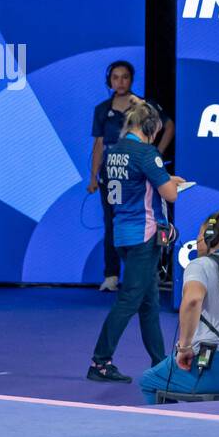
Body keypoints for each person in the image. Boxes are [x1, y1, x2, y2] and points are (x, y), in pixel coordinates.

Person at [87, 100, 187, 383]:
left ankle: (160, 364)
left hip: (122, 233)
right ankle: (100, 362)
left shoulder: (114, 152)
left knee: (149, 302)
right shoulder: (147, 153)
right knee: (130, 300)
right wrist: (167, 181)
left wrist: (165, 178)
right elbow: (171, 196)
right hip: (145, 236)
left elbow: (137, 182)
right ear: (150, 128)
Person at [138, 209, 219, 403]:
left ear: (210, 238)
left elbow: (192, 300)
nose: (197, 241)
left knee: (148, 381)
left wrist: (184, 348)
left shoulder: (200, 265)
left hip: (211, 370)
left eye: (199, 235)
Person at [88, 61, 173, 291]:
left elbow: (168, 126)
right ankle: (111, 275)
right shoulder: (102, 109)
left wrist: (155, 153)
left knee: (148, 221)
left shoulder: (143, 107)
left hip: (138, 176)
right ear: (109, 81)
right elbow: (98, 144)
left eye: (125, 77)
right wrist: (93, 177)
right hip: (113, 176)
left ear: (132, 79)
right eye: (115, 77)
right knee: (112, 224)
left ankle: (148, 275)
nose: (120, 81)